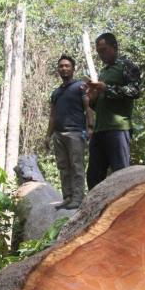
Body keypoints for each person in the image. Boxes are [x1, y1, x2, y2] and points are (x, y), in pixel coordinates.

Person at [85, 32, 141, 190]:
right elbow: (98, 105)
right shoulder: (103, 71)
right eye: (98, 52)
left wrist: (107, 88)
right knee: (94, 176)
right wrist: (92, 96)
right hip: (100, 129)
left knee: (121, 175)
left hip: (118, 129)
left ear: (114, 47)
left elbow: (135, 91)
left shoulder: (126, 66)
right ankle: (95, 212)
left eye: (104, 50)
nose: (101, 55)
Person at [46, 55, 94, 209]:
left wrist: (90, 128)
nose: (64, 68)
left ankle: (78, 198)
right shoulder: (56, 92)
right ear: (58, 70)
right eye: (61, 66)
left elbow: (88, 108)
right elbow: (53, 115)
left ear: (73, 68)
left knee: (76, 166)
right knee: (63, 167)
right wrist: (48, 135)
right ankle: (67, 197)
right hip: (58, 135)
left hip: (75, 133)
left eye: (67, 66)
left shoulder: (80, 87)